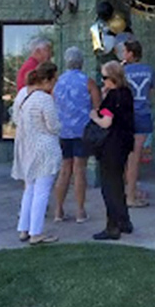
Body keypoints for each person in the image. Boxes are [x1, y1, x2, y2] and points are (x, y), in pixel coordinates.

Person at [11, 61, 62, 245]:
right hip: (45, 149)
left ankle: (24, 228)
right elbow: (54, 126)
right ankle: (36, 232)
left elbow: (16, 119)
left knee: (30, 190)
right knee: (42, 191)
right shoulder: (45, 99)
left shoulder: (25, 96)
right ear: (48, 79)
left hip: (28, 148)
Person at [52, 46, 101, 223]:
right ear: (81, 62)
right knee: (79, 170)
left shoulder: (58, 83)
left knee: (64, 170)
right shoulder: (88, 82)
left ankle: (58, 210)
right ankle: (80, 211)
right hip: (82, 131)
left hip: (63, 131)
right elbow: (97, 106)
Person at [89, 60, 134, 240]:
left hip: (111, 146)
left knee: (109, 187)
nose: (103, 81)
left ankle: (112, 226)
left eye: (105, 77)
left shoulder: (112, 97)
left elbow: (106, 122)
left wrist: (94, 116)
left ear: (112, 78)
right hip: (124, 144)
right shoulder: (126, 93)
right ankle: (124, 221)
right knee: (118, 183)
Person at [122, 39, 155, 207]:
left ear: (130, 53)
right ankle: (131, 195)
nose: (123, 54)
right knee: (135, 156)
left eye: (125, 51)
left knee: (130, 156)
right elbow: (152, 92)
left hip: (127, 116)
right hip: (143, 114)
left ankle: (130, 193)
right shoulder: (149, 70)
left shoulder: (123, 71)